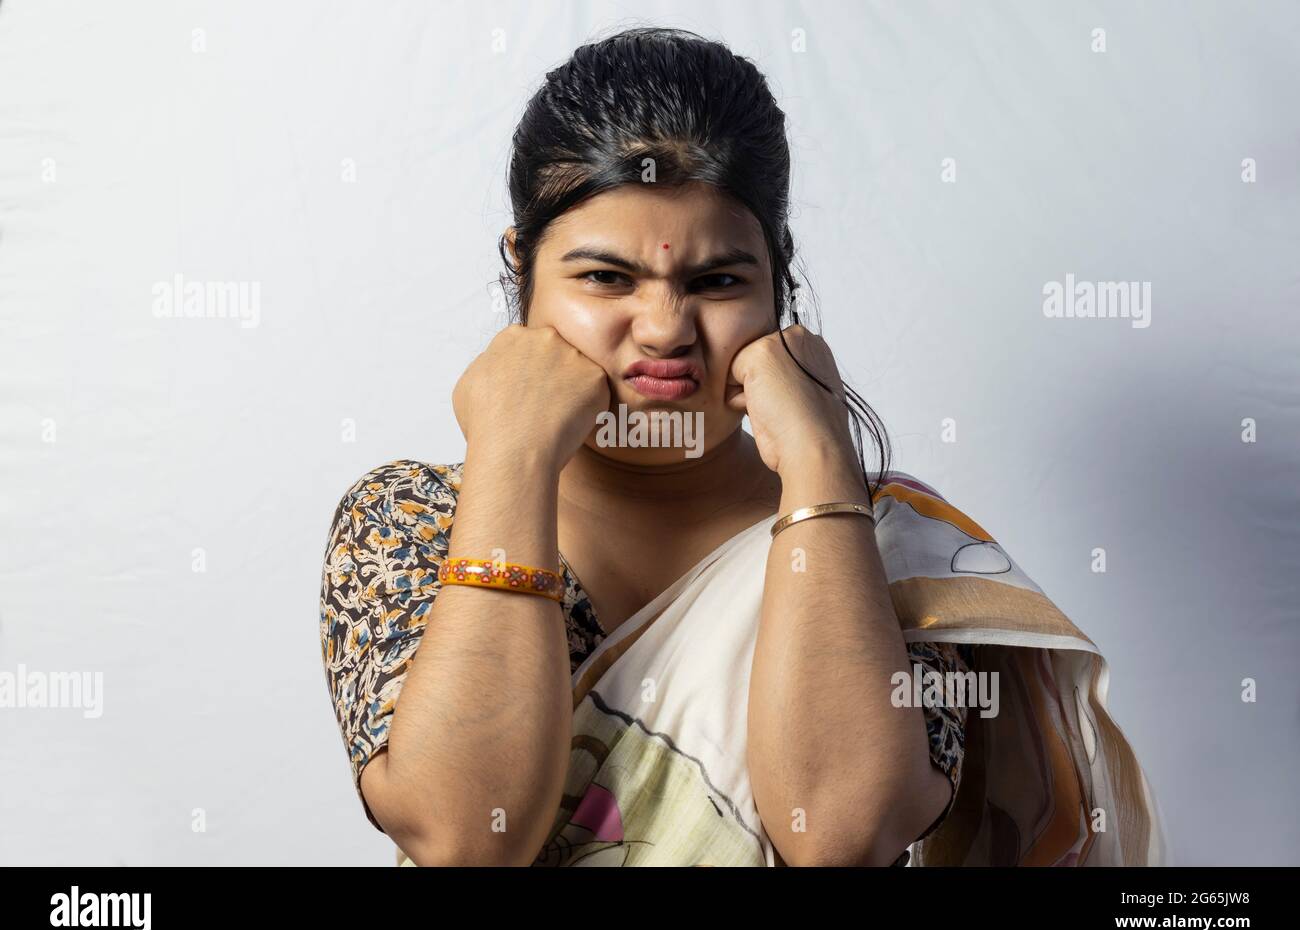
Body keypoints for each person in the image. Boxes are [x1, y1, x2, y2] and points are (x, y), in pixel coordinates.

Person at [318, 27, 1165, 867]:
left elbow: (837, 831)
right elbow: (467, 837)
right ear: (522, 269)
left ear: (777, 284)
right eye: (606, 278)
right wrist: (509, 458)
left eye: (716, 280)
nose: (664, 330)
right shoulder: (409, 520)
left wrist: (823, 467)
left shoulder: (891, 547)